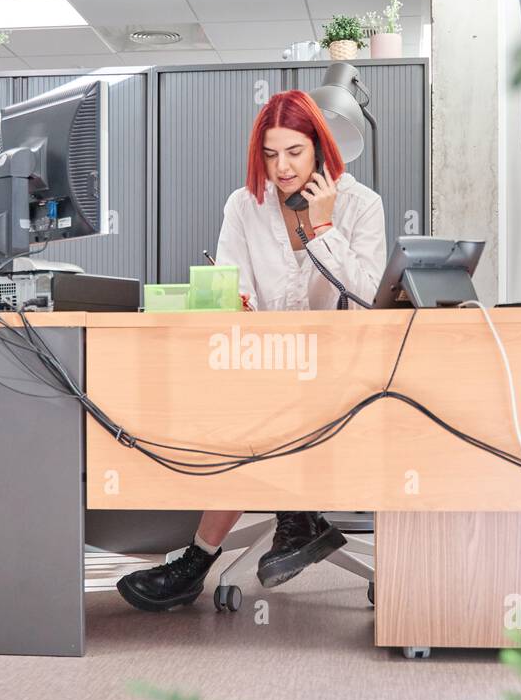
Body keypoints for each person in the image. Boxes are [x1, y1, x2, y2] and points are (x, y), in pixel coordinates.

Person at [117, 90, 387, 612]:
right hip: (258, 362)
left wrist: (323, 228)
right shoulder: (245, 205)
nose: (281, 167)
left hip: (340, 369)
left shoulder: (360, 205)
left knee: (256, 412)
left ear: (320, 151)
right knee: (238, 400)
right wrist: (228, 304)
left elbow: (366, 301)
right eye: (270, 154)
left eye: (294, 152)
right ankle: (298, 521)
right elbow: (229, 289)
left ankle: (202, 560)